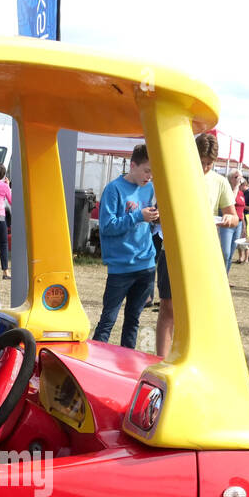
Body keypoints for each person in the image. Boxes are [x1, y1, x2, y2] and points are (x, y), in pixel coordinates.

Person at [92, 144, 158, 350]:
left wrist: (155, 217)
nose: (149, 176)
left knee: (133, 321)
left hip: (146, 264)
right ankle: (92, 367)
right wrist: (139, 216)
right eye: (147, 170)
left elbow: (148, 220)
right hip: (121, 268)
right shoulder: (114, 189)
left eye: (153, 172)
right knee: (107, 322)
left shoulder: (150, 188)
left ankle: (126, 368)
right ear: (133, 165)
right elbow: (107, 227)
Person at [195, 133, 239, 270]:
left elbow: (235, 219)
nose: (204, 167)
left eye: (209, 163)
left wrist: (228, 219)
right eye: (201, 162)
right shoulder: (177, 175)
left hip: (205, 249)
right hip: (173, 250)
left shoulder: (220, 182)